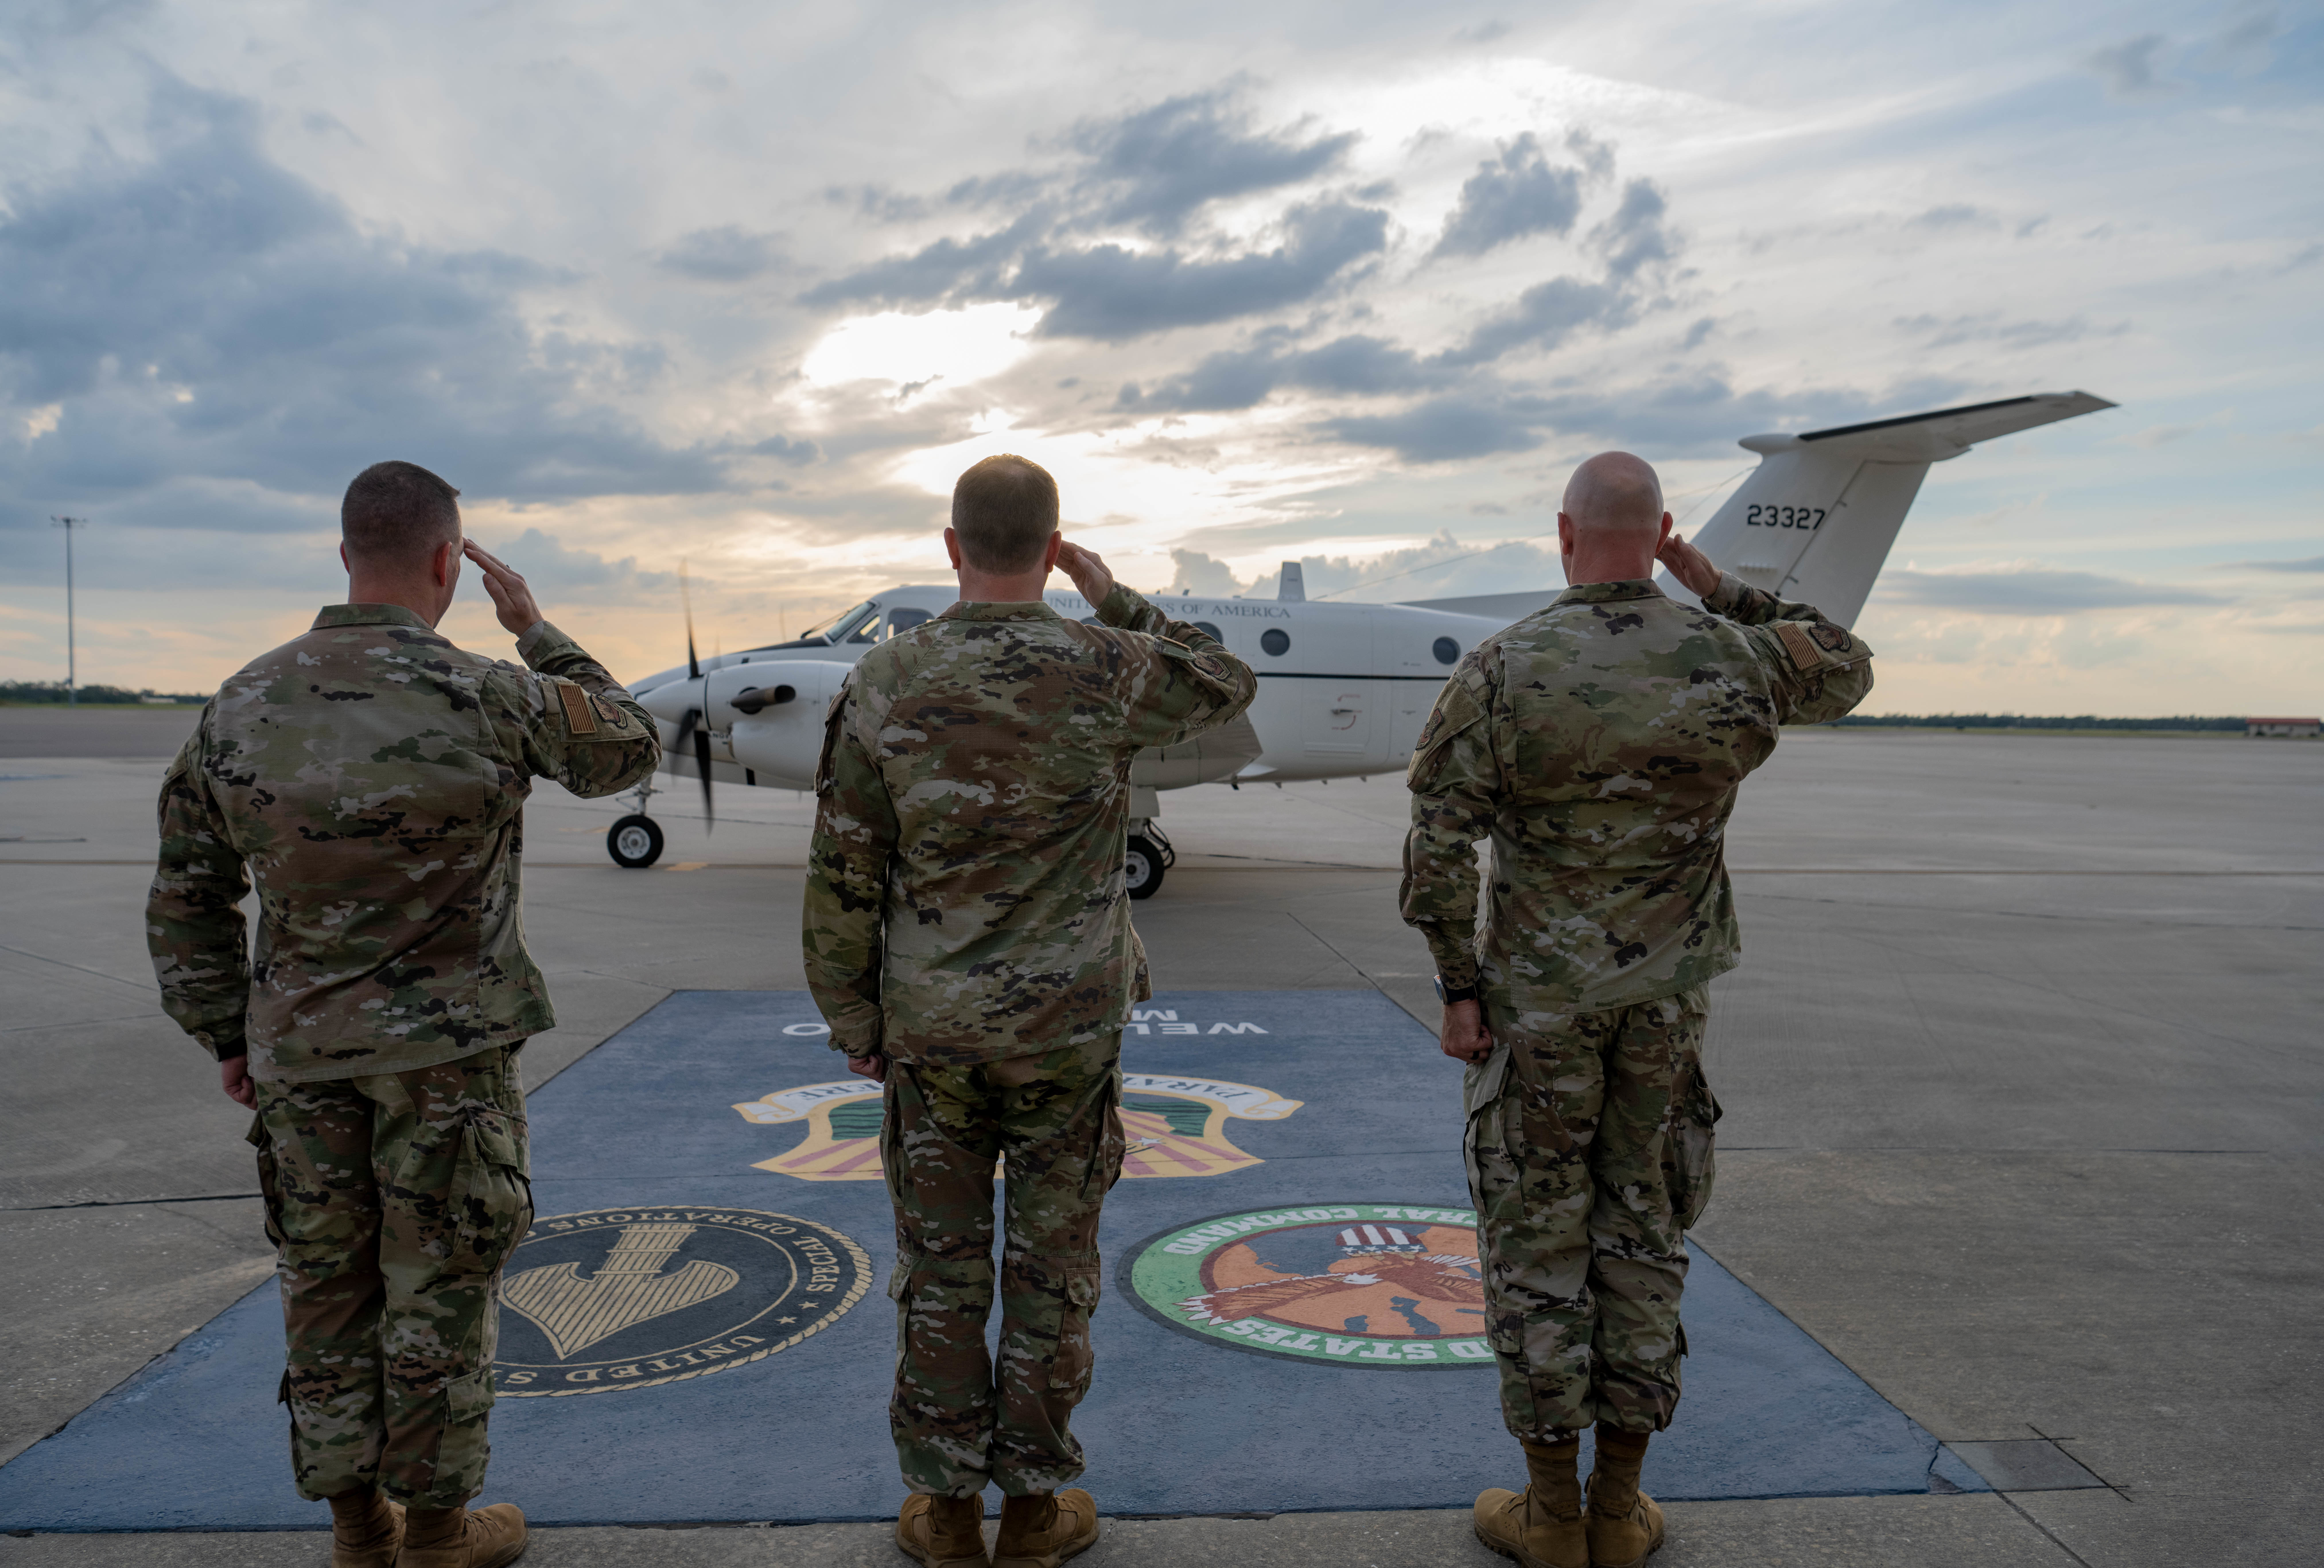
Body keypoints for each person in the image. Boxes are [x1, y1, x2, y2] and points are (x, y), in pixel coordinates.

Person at [145, 461, 660, 1568]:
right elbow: (627, 747)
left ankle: (355, 1526)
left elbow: (188, 890)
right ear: (447, 562)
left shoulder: (240, 700)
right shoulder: (488, 689)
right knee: (439, 1287)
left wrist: (227, 1034)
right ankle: (436, 1531)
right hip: (448, 1063)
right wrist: (537, 631)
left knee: (326, 1285)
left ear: (343, 556)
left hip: (299, 1056)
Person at [1401, 452, 1876, 1568]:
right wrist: (1720, 585)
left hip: (1533, 1017)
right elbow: (1846, 667)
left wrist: (1460, 987)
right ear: (1661, 529)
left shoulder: (1505, 667)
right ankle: (1621, 1504)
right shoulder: (1730, 656)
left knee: (1537, 1238)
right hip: (1663, 1010)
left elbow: (1437, 845)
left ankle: (1551, 1509)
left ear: (1564, 533)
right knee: (1642, 1230)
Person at [803, 454, 1258, 1568]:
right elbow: (1224, 678)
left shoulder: (887, 678)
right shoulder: (1108, 662)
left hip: (937, 1029)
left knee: (943, 1270)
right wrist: (1114, 598)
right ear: (1052, 549)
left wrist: (855, 1019)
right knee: (1052, 1272)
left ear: (951, 546)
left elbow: (843, 874)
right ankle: (1035, 1511)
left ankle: (947, 1511)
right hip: (1066, 1033)